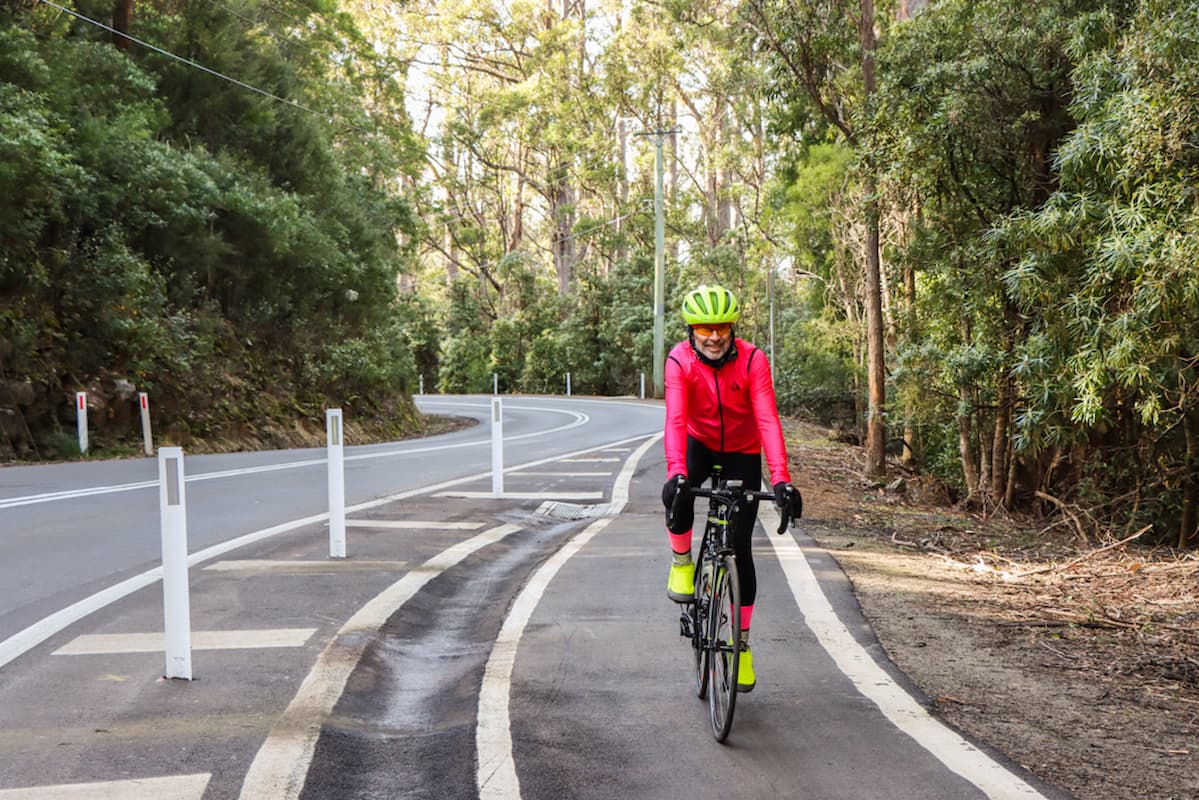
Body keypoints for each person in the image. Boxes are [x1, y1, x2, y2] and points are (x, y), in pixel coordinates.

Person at [660, 283, 803, 693]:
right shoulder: (679, 361)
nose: (714, 335)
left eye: (722, 326)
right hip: (698, 444)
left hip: (742, 451)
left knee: (740, 548)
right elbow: (674, 420)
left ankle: (741, 646)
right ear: (692, 330)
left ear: (732, 328)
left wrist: (780, 480)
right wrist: (677, 472)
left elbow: (768, 420)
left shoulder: (754, 359)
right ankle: (683, 563)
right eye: (705, 327)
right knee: (678, 494)